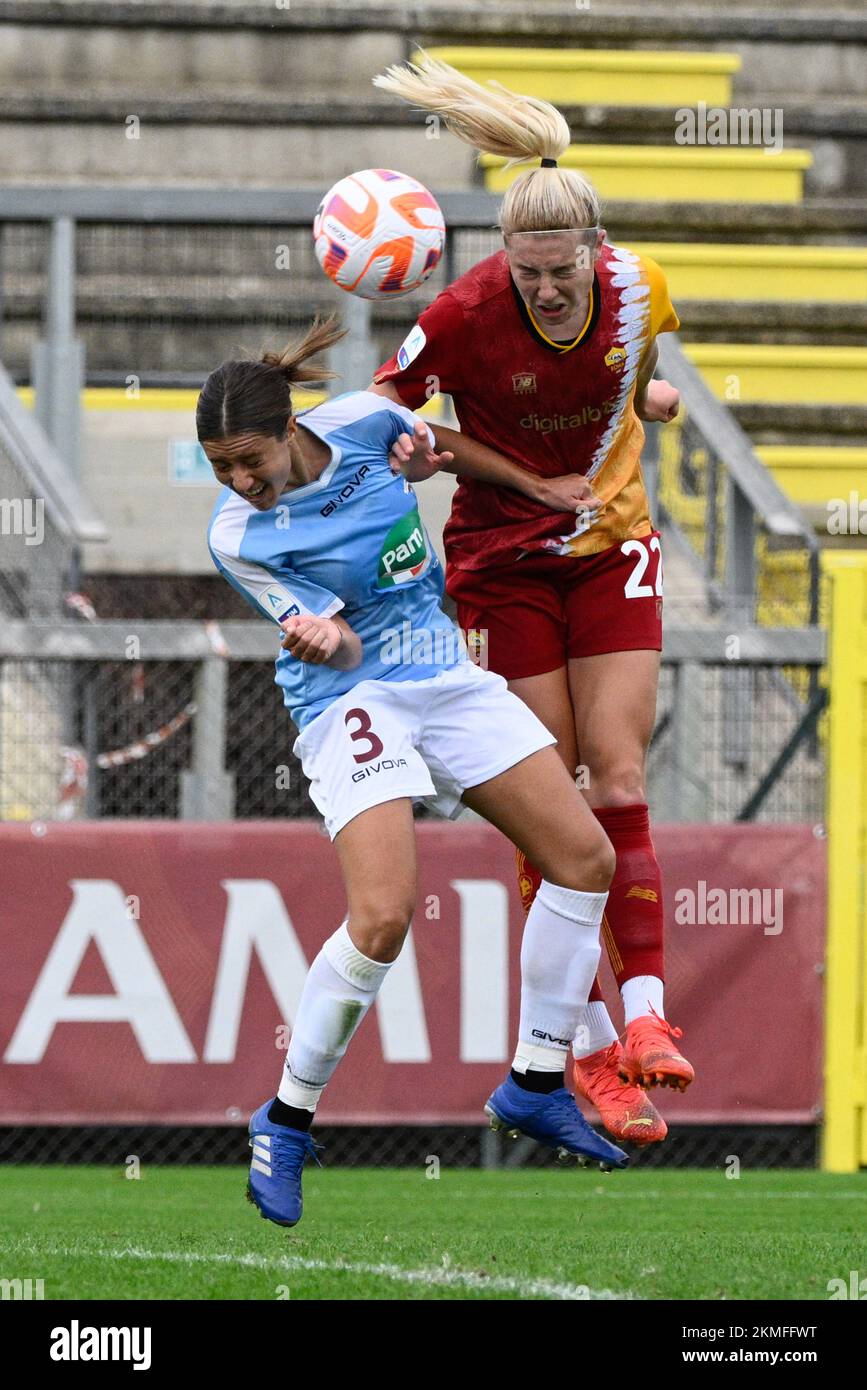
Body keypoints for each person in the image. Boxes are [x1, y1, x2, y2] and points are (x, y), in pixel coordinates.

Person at [197, 316, 629, 1228]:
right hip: (348, 698)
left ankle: (536, 1080)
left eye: (250, 460)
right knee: (384, 914)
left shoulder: (359, 420)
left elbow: (436, 441)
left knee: (586, 859)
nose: (240, 482)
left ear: (289, 432)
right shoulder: (236, 534)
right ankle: (284, 1120)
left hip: (438, 670)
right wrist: (325, 631)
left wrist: (507, 478)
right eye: (220, 467)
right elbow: (335, 639)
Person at [370, 52, 694, 1147]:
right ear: (502, 260)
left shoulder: (643, 286)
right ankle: (585, 1046)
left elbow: (630, 373)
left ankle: (645, 1018)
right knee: (550, 791)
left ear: (594, 252)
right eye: (529, 274)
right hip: (503, 560)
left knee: (620, 766)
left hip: (608, 544)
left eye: (562, 271)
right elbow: (391, 418)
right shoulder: (460, 314)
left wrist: (650, 398)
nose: (546, 290)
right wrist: (466, 461)